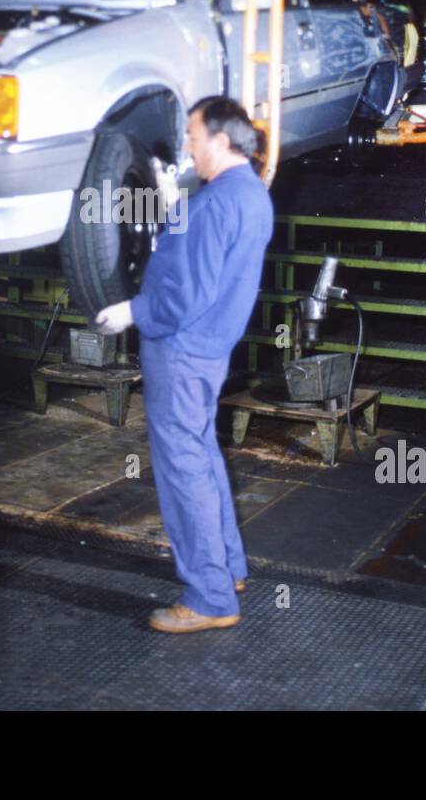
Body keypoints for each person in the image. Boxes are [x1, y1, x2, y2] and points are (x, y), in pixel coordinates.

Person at [94, 97, 274, 633]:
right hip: (210, 348)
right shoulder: (249, 195)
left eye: (193, 135)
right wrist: (180, 210)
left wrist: (133, 310)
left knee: (183, 469)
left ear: (221, 140)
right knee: (202, 454)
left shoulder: (215, 204)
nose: (187, 144)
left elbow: (185, 294)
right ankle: (228, 569)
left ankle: (210, 598)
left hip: (180, 346)